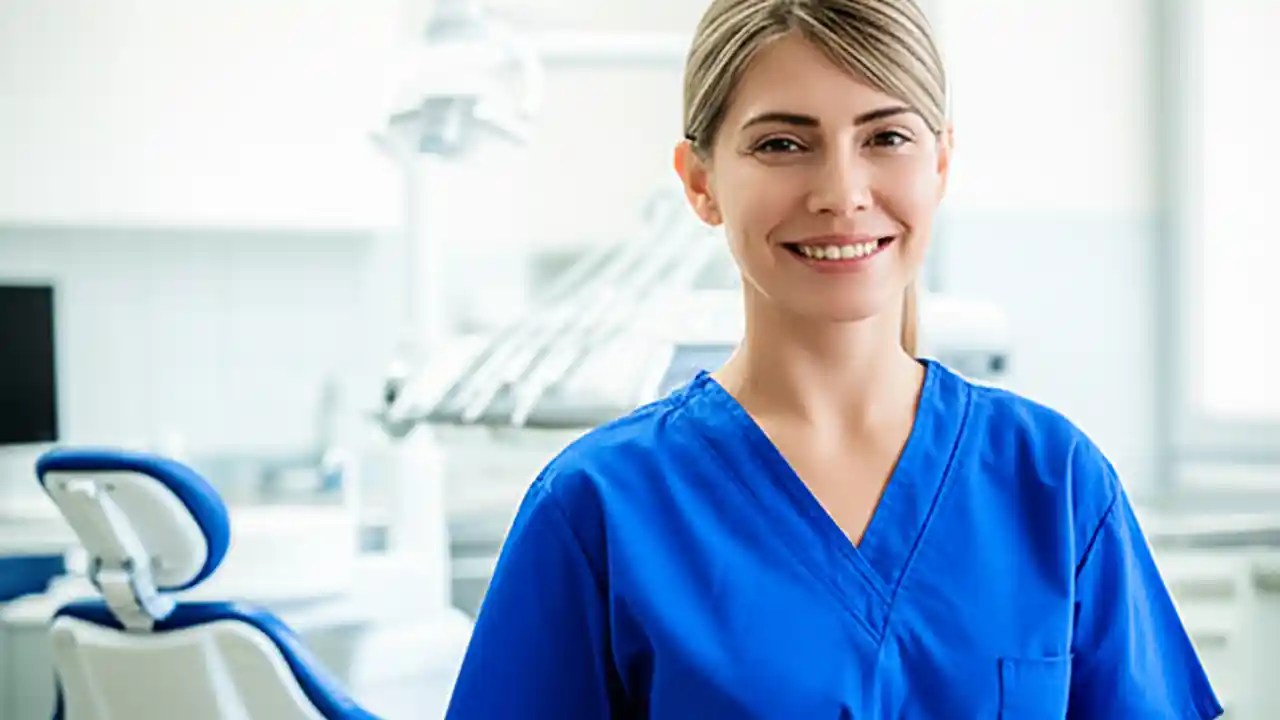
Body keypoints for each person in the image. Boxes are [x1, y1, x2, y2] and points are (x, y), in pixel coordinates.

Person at [445, 0, 1224, 717]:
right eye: (783, 143)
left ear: (941, 164)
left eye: (885, 137)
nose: (842, 192)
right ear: (700, 181)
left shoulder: (1052, 483)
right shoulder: (600, 510)